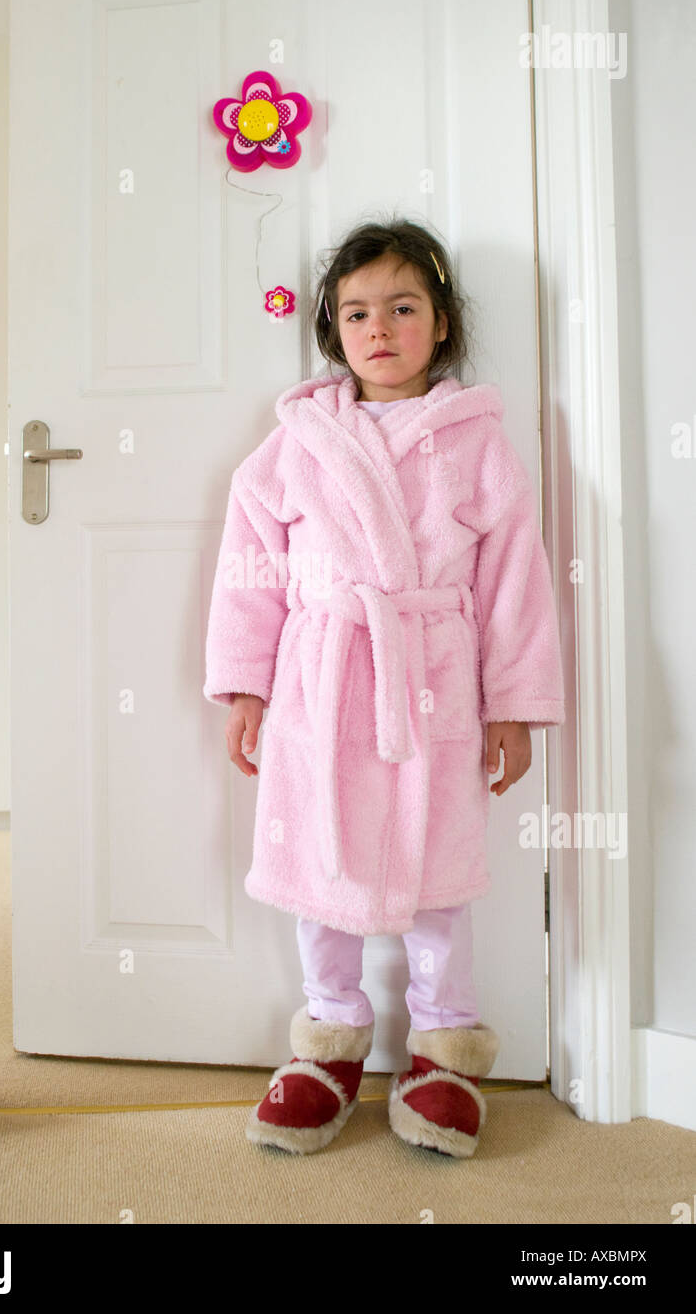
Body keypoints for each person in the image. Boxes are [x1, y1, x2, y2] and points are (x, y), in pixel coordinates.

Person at [202, 218, 565, 1158]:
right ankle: (329, 1041)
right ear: (333, 330)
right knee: (320, 864)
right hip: (320, 679)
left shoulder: (476, 439)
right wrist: (245, 686)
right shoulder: (299, 440)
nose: (381, 328)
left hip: (432, 682)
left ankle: (443, 1048)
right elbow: (252, 560)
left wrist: (513, 706)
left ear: (440, 323)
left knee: (439, 870)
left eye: (404, 308)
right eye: (357, 312)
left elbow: (513, 579)